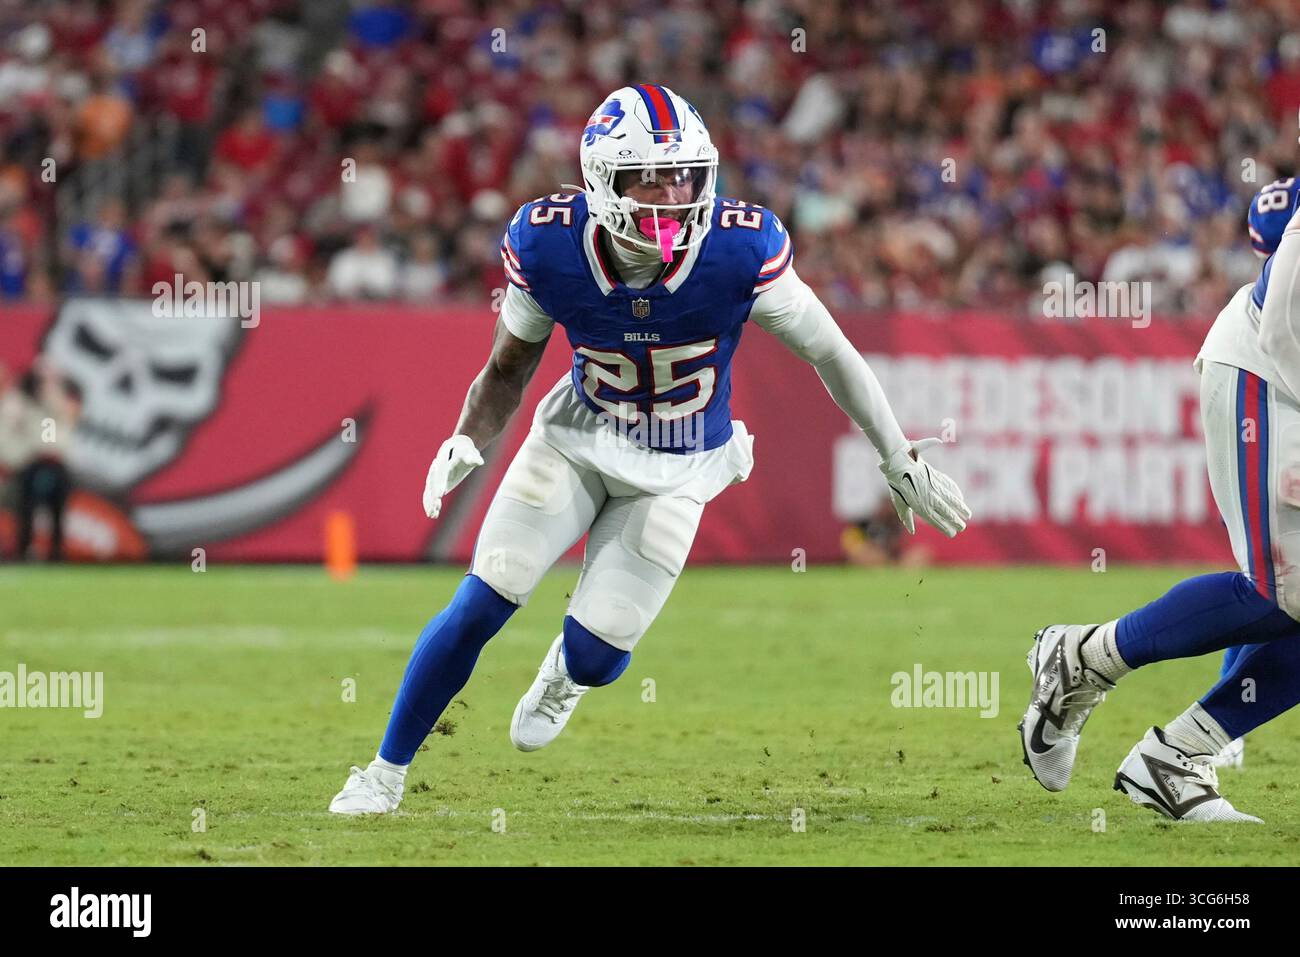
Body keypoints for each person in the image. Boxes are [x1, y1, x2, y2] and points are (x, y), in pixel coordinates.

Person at [329, 85, 970, 814]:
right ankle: (382, 773)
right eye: (651, 179)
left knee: (598, 654)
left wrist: (895, 454)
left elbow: (833, 353)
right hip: (576, 438)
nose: (675, 195)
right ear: (603, 182)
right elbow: (508, 366)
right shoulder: (549, 243)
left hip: (679, 465)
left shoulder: (738, 247)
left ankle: (567, 670)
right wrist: (464, 436)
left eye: (686, 175)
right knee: (487, 594)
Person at [1018, 175, 1300, 823]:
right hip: (1266, 377)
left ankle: (1171, 749)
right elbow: (1285, 325)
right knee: (1283, 587)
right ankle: (1090, 660)